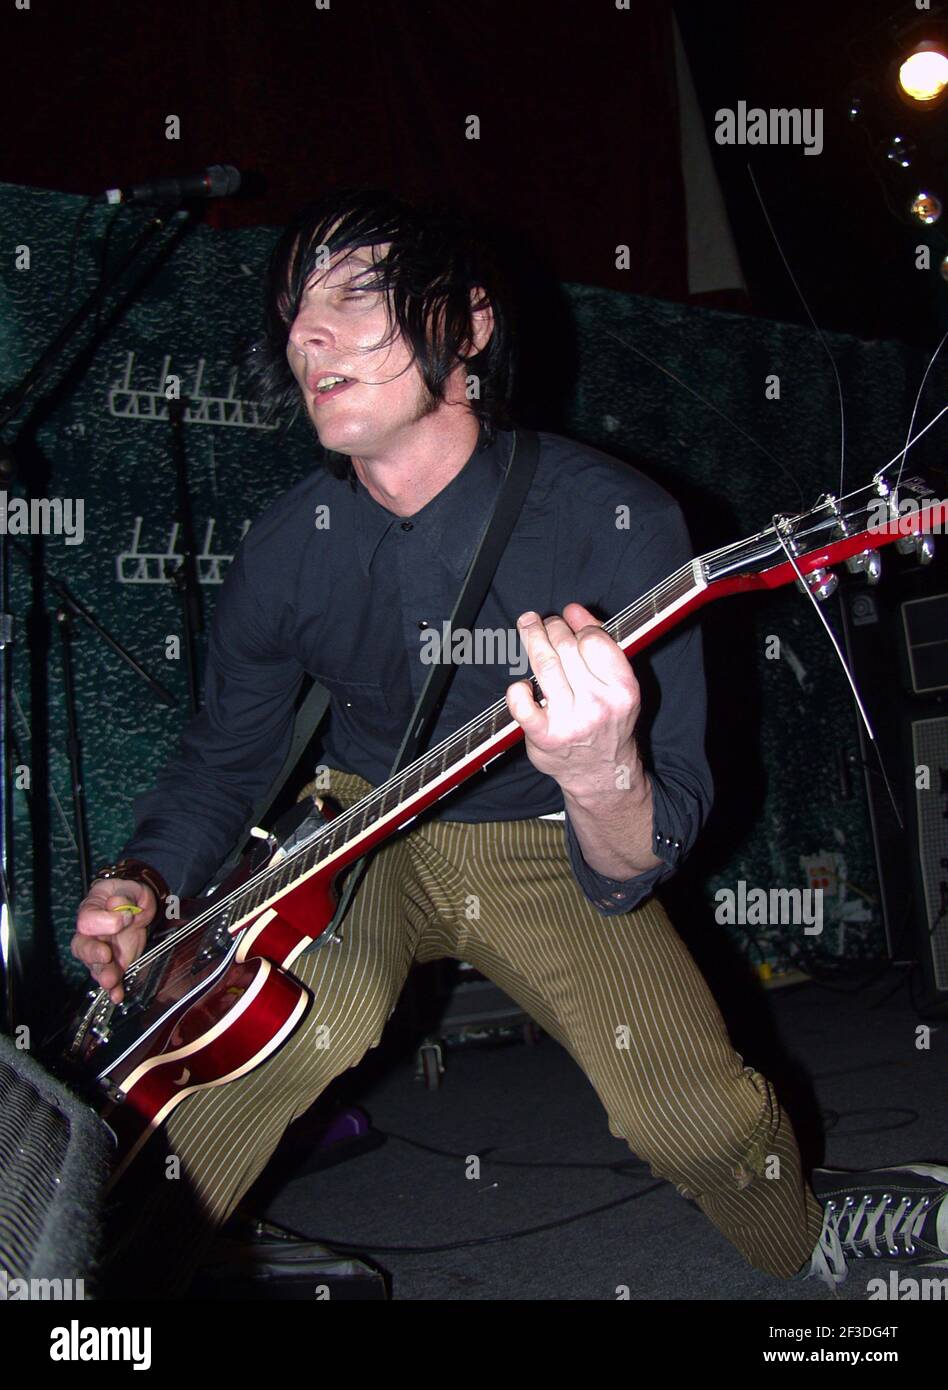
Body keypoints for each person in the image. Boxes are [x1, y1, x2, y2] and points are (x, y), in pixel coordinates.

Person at [72, 188, 948, 1298]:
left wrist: (599, 769)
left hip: (547, 835)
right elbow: (222, 754)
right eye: (296, 309)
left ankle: (805, 1220)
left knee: (692, 1116)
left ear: (470, 325)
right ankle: (95, 1286)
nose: (307, 334)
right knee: (278, 1033)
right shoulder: (291, 544)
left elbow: (646, 850)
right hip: (357, 834)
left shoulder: (616, 520)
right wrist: (145, 876)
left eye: (354, 294)